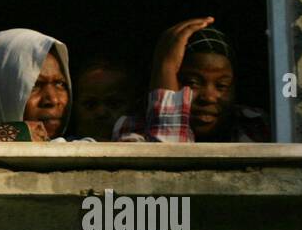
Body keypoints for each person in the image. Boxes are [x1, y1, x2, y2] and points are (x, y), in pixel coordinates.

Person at [113, 17, 270, 142]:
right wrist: (166, 66)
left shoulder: (255, 125)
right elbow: (168, 165)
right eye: (192, 83)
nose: (208, 97)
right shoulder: (133, 127)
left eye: (222, 85)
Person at [0, 29, 76, 140]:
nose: (53, 100)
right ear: (2, 90)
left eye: (60, 84)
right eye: (35, 85)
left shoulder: (90, 151)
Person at [71, 54, 136, 142]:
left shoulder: (147, 145)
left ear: (133, 106)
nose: (101, 113)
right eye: (90, 105)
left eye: (114, 104)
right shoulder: (59, 148)